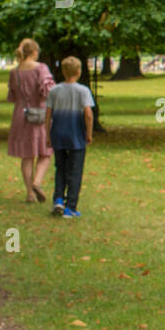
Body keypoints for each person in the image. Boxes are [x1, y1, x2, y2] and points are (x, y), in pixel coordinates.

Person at [44, 56, 94, 218]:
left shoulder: (54, 90)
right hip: (76, 136)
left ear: (63, 71)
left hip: (58, 134)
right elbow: (88, 114)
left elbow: (48, 115)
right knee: (75, 171)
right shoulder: (83, 91)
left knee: (60, 169)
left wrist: (47, 134)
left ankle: (58, 199)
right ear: (79, 71)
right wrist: (89, 132)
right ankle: (70, 207)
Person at [7, 38, 54, 203]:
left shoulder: (15, 72)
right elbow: (47, 91)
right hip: (39, 114)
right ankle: (37, 182)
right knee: (46, 152)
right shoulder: (41, 68)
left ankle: (29, 193)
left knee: (26, 156)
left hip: (21, 114)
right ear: (35, 52)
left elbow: (11, 96)